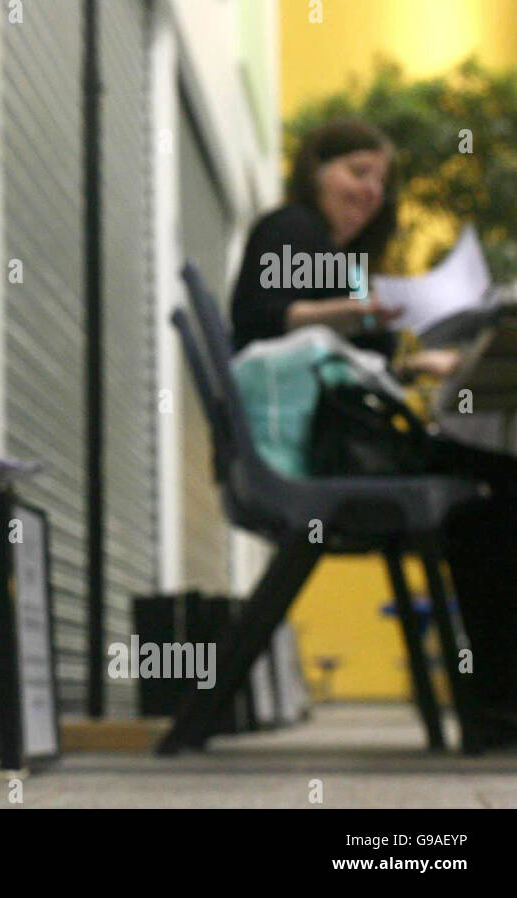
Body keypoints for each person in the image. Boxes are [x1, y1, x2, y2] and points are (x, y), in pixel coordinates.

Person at [230, 117, 517, 749]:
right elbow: (258, 317)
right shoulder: (294, 230)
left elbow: (356, 357)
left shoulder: (344, 260)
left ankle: (497, 704)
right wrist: (356, 309)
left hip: (338, 437)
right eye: (357, 172)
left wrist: (420, 361)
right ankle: (498, 703)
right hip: (319, 450)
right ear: (315, 170)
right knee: (494, 485)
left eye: (380, 181)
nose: (371, 192)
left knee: (488, 489)